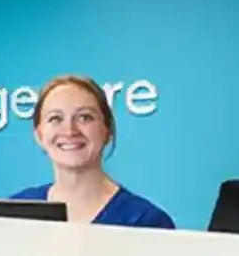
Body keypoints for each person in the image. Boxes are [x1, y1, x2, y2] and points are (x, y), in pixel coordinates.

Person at [11, 74, 175, 229]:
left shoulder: (146, 222)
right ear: (39, 135)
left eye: (85, 117)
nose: (70, 131)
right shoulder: (16, 214)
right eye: (55, 119)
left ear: (107, 130)